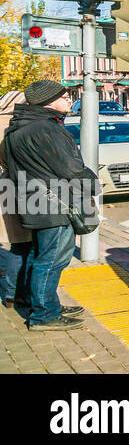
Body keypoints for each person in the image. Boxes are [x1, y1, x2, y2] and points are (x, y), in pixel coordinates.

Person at [2, 80, 94, 330]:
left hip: (33, 202)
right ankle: (45, 315)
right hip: (55, 205)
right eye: (65, 97)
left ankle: (43, 304)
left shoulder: (19, 127)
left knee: (38, 256)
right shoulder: (46, 128)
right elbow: (69, 167)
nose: (68, 100)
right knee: (51, 261)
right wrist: (91, 186)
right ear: (49, 102)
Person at [0, 91, 32, 310]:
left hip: (7, 184)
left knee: (16, 242)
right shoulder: (14, 125)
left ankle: (13, 293)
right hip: (14, 186)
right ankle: (15, 292)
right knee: (21, 243)